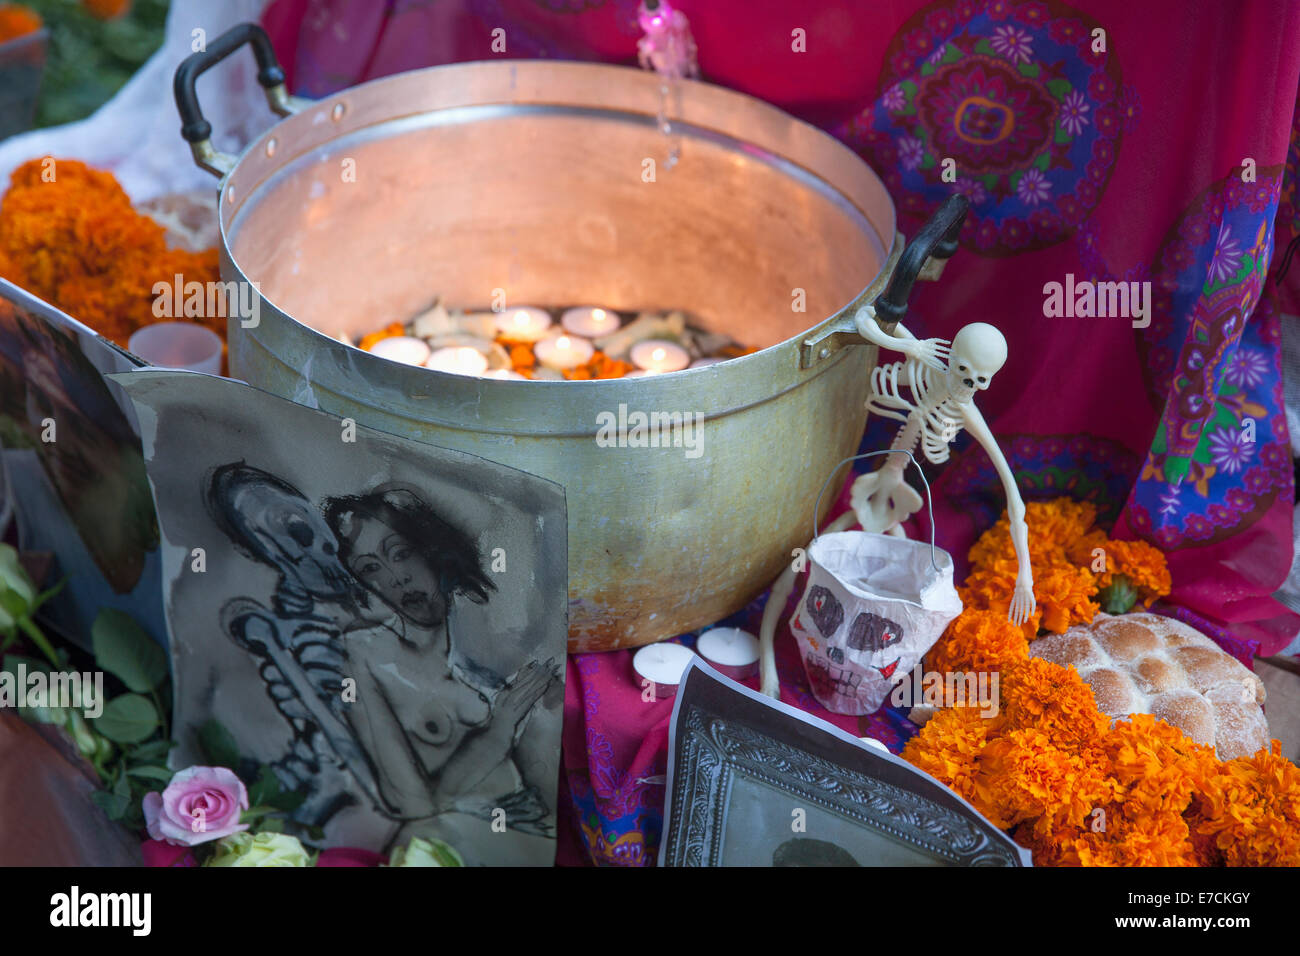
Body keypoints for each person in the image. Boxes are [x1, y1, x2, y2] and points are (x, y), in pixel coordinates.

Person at [322, 484, 557, 839]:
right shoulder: (362, 656)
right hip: (443, 842)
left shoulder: (491, 639)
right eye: (370, 568)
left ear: (431, 550)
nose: (395, 577)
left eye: (400, 553)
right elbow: (411, 804)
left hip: (523, 833)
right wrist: (499, 730)